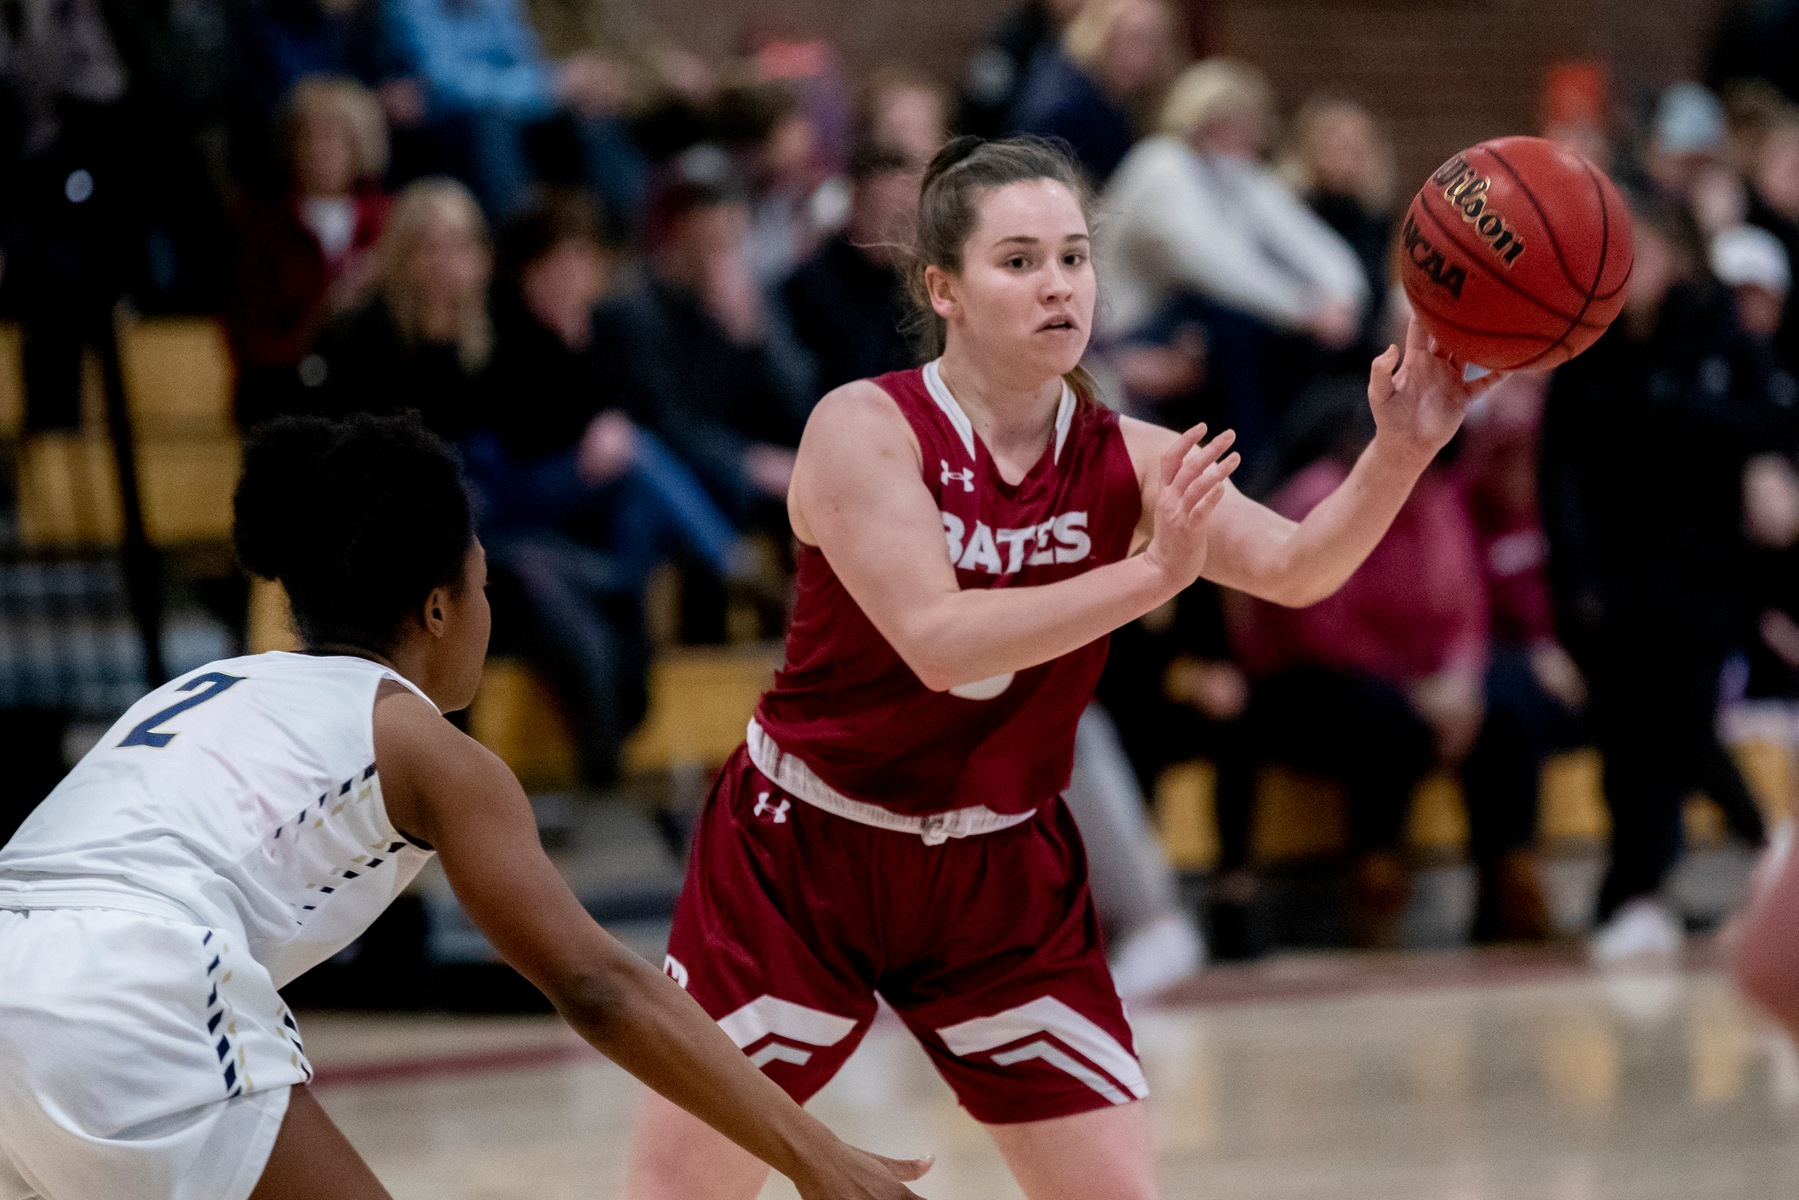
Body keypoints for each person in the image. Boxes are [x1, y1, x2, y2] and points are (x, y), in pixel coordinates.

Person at [623, 134, 1494, 1200]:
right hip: (802, 857)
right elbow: (939, 645)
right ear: (941, 288)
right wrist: (1151, 576)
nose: (1057, 286)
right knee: (680, 1196)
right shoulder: (862, 428)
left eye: (1074, 259)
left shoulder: (1127, 454)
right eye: (1019, 260)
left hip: (997, 875)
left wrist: (1399, 448)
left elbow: (1298, 567)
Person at [0, 413, 929, 1200]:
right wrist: (819, 1160)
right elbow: (597, 986)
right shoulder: (428, 749)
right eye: (484, 587)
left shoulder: (198, 688)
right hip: (134, 977)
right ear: (440, 608)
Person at [1541, 188, 1786, 965]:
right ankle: (1634, 891)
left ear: (1677, 250)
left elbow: (1767, 425)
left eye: (1641, 246)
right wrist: (1574, 573)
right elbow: (1561, 472)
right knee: (1625, 744)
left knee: (1683, 725)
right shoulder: (1584, 351)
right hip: (1612, 578)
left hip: (1703, 574)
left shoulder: (1716, 334)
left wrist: (1687, 412)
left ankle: (1765, 845)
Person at [470, 191, 747, 784]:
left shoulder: (606, 335)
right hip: (524, 501)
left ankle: (634, 579)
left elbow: (679, 412)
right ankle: (729, 562)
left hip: (589, 506)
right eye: (556, 267)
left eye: (581, 264)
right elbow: (519, 439)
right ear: (527, 273)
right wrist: (592, 448)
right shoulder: (507, 341)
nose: (571, 279)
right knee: (640, 458)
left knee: (642, 482)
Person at [1098, 58, 1367, 467]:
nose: (1239, 140)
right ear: (1196, 120)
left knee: (1308, 339)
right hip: (1124, 332)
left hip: (1184, 323)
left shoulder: (1235, 175)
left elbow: (1310, 243)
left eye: (1247, 128)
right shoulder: (1160, 164)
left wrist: (1342, 296)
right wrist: (1307, 309)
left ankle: (1289, 466)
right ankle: (1253, 471)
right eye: (1225, 125)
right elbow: (1215, 268)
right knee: (1239, 322)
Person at [592, 153, 815, 528]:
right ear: (676, 232)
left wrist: (755, 341)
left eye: (730, 226)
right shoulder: (633, 310)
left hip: (748, 459)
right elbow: (667, 423)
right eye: (709, 229)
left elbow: (800, 409)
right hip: (683, 475)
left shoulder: (752, 297)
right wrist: (748, 462)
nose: (723, 241)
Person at [231, 77, 393, 428]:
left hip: (377, 399)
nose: (321, 150)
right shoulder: (260, 226)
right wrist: (324, 313)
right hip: (285, 398)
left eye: (335, 137)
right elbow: (248, 340)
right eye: (309, 136)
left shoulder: (390, 222)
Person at [301, 177, 493, 440]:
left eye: (457, 245)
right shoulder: (363, 333)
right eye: (427, 247)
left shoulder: (502, 326)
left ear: (482, 257)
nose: (442, 263)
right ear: (400, 257)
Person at [782, 143, 920, 394]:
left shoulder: (923, 292)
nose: (889, 229)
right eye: (879, 210)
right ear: (855, 202)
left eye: (902, 215)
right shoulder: (809, 286)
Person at [1008, 0, 1180, 185]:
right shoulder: (1066, 105)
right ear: (1102, 34)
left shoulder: (1125, 100)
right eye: (1133, 39)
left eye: (1154, 44)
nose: (1142, 57)